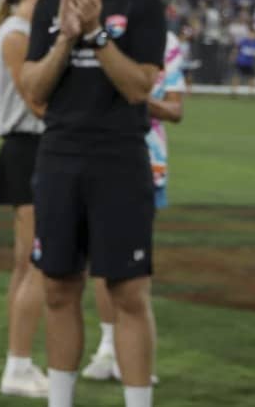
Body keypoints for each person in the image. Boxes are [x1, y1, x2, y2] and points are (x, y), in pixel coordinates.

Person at [22, 0, 167, 407]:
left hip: (120, 161)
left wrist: (98, 35)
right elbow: (34, 89)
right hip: (59, 159)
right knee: (59, 289)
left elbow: (138, 88)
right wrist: (66, 38)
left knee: (128, 293)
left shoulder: (144, 6)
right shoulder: (48, 7)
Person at [84, 26, 185, 386]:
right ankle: (108, 346)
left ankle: (133, 356)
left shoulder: (166, 43)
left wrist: (135, 97)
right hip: (97, 156)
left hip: (147, 161)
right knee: (102, 258)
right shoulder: (95, 35)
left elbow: (176, 109)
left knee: (134, 265)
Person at [0, 0, 62, 398]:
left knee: (25, 263)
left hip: (26, 150)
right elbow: (37, 103)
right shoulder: (17, 34)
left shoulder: (17, 31)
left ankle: (19, 359)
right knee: (38, 263)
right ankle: (17, 365)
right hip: (31, 149)